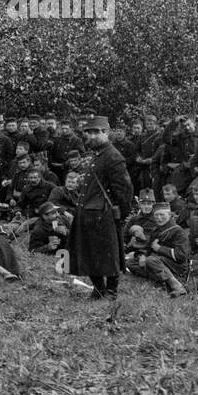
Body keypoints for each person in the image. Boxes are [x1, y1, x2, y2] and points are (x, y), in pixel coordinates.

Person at [67, 116, 133, 300]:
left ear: (105, 133)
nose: (89, 136)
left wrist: (120, 213)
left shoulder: (113, 156)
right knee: (88, 252)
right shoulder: (97, 154)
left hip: (103, 214)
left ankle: (110, 291)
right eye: (88, 132)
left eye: (94, 132)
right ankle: (98, 289)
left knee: (108, 253)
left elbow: (125, 190)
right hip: (87, 211)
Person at [126, 200, 191, 298]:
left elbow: (181, 256)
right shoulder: (156, 229)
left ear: (169, 215)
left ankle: (177, 286)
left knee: (151, 260)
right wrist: (142, 255)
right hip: (159, 262)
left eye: (162, 215)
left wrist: (160, 248)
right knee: (131, 263)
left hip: (176, 266)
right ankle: (163, 278)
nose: (159, 218)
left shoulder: (178, 231)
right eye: (156, 215)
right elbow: (149, 248)